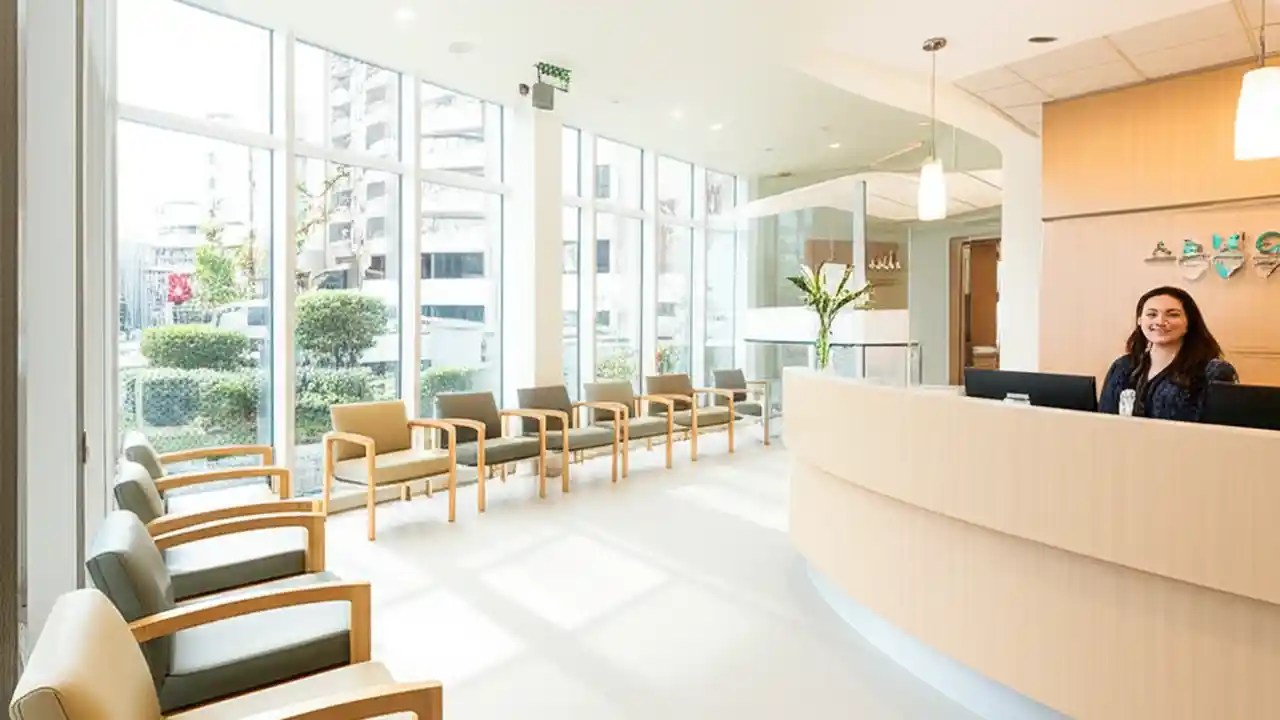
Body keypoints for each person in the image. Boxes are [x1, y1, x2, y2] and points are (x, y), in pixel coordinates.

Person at [1100, 286, 1238, 421]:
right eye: (1152, 314)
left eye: (1173, 315)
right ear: (1140, 321)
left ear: (1189, 323)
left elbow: (1224, 433)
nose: (1160, 322)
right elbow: (1103, 421)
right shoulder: (1122, 366)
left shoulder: (1214, 371)